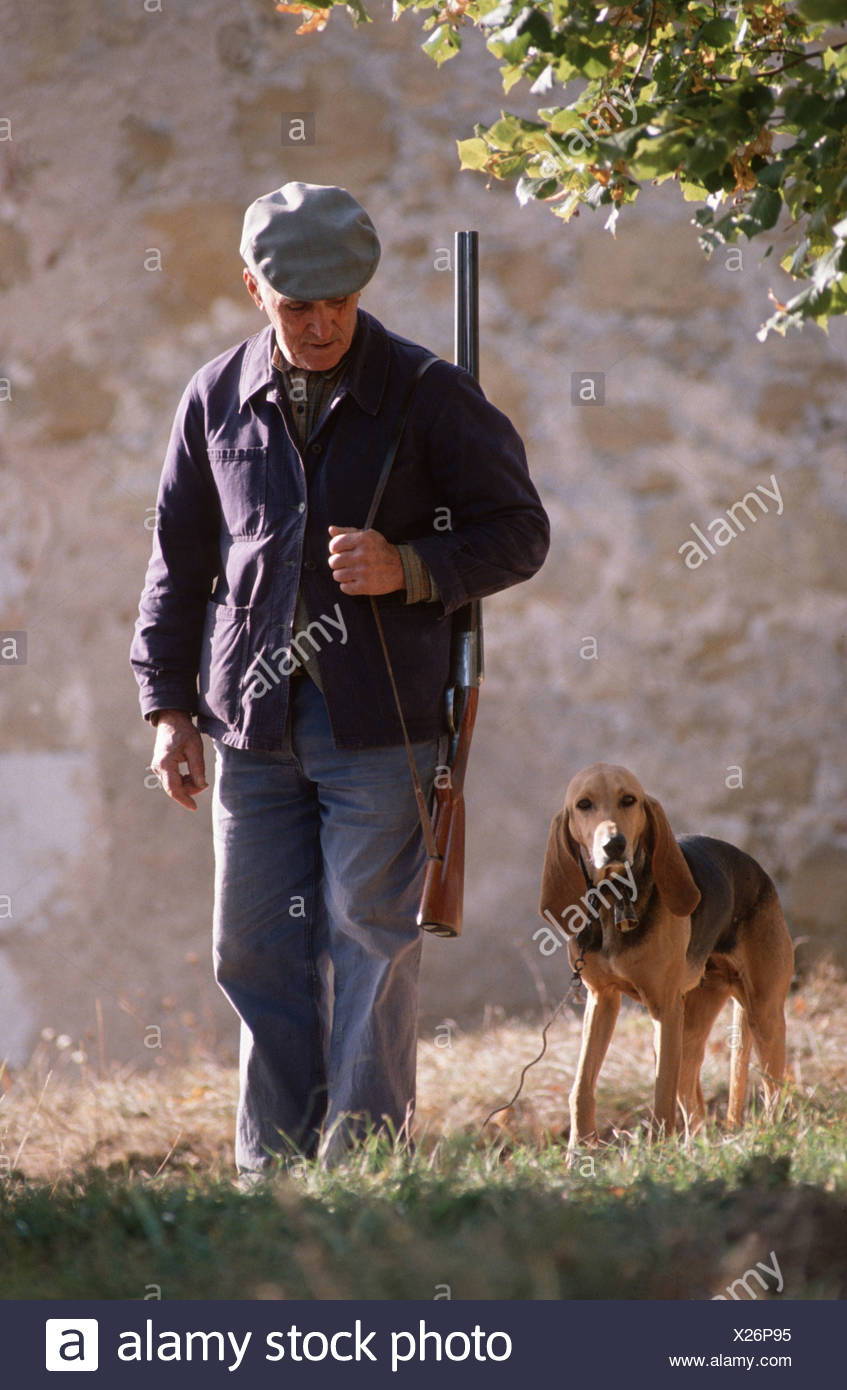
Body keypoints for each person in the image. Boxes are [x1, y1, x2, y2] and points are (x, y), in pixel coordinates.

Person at [131, 182, 550, 1174]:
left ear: (361, 290)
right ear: (252, 289)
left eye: (339, 302)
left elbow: (520, 532)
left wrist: (410, 567)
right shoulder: (214, 396)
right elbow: (175, 562)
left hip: (385, 730)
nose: (320, 324)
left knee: (371, 944)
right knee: (253, 953)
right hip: (250, 728)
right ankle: (271, 1175)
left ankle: (360, 1177)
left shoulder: (427, 391)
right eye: (295, 305)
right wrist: (166, 705)